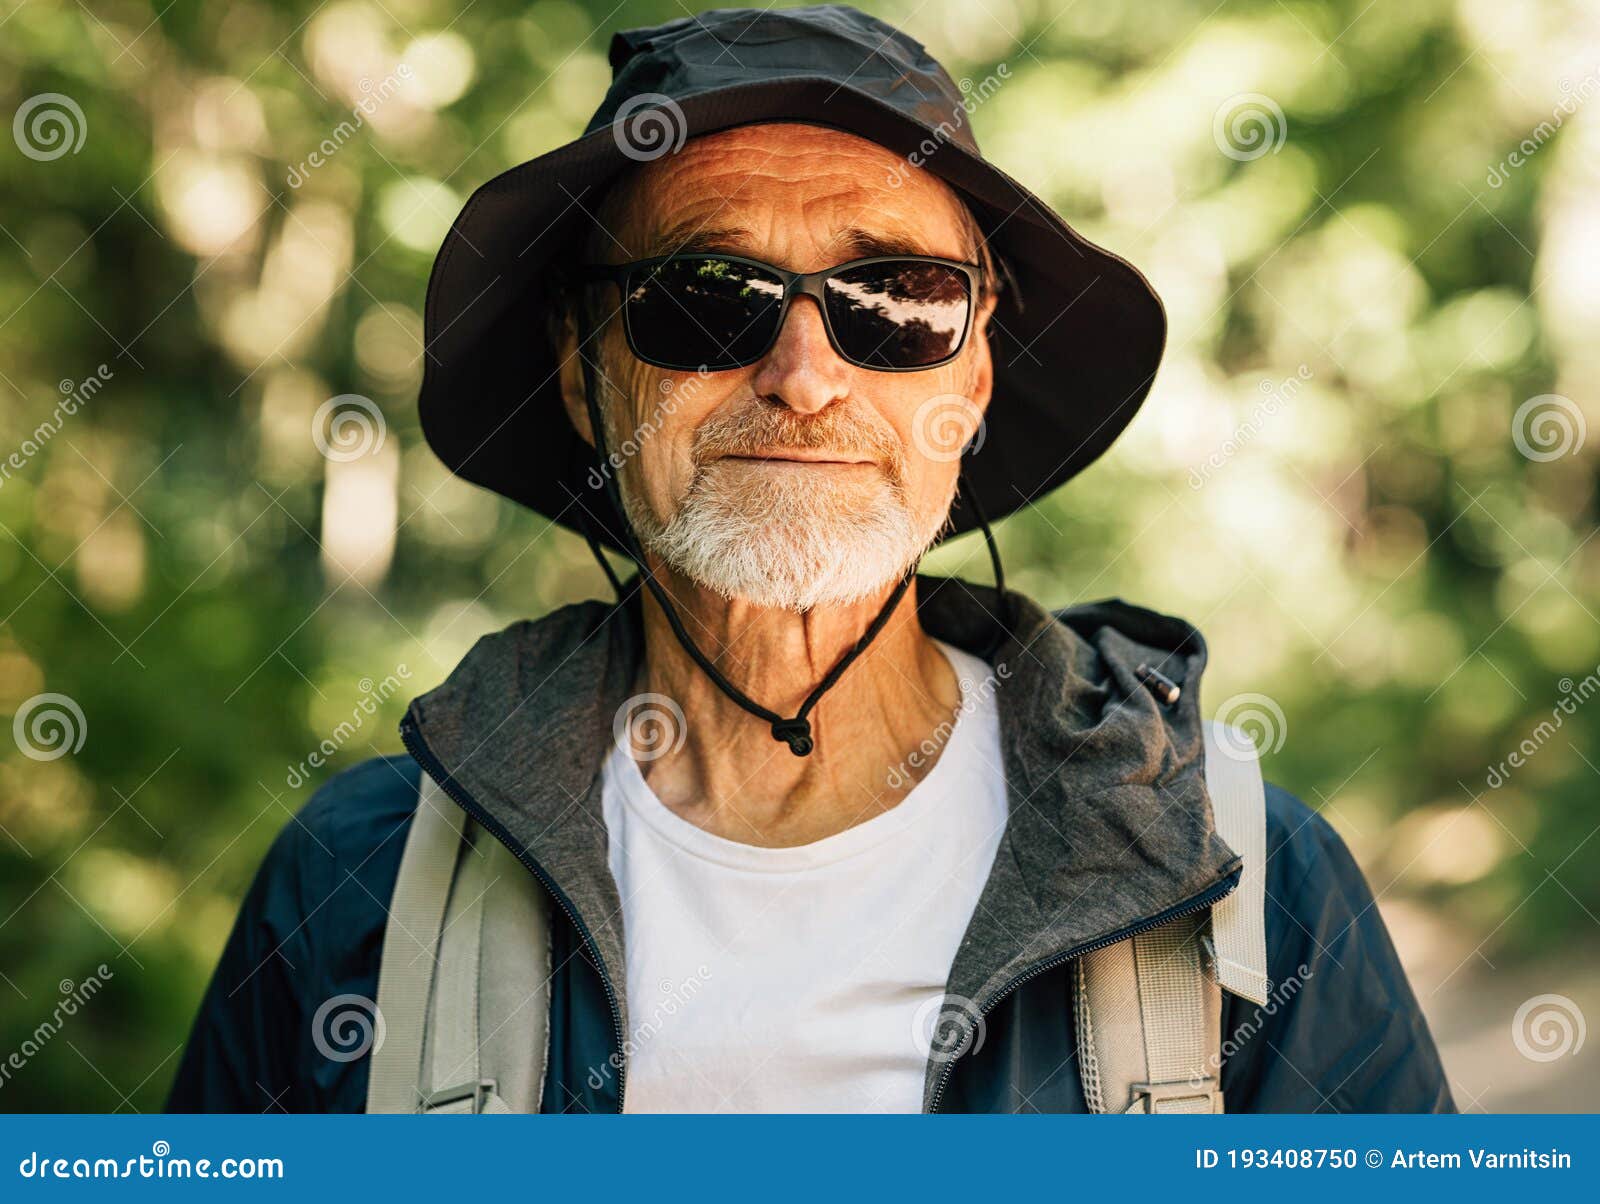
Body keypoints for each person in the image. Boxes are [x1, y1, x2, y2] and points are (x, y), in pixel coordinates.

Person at [170, 4, 1452, 1114]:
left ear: (977, 369)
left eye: (896, 300)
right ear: (582, 370)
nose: (801, 375)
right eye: (703, 299)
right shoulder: (361, 882)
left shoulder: (1233, 885)